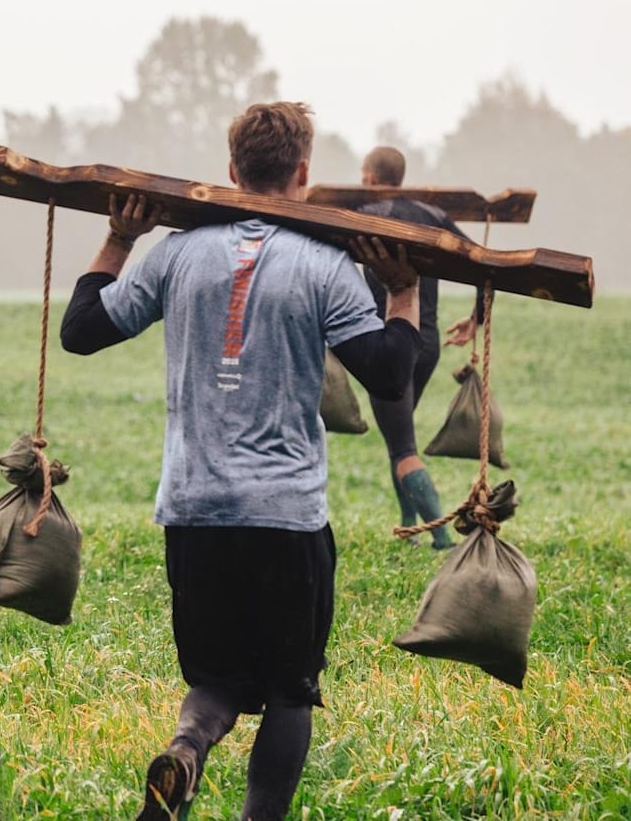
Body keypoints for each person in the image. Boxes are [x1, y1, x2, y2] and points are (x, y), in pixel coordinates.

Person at [60, 102, 423, 821]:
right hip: (286, 517)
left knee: (219, 678)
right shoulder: (325, 265)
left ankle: (188, 749)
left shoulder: (173, 254)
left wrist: (116, 238)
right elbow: (387, 375)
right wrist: (404, 294)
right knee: (289, 691)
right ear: (303, 173)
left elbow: (80, 330)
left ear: (231, 172)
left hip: (194, 511)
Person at [357, 145, 486, 549]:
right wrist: (476, 319)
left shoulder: (362, 214)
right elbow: (484, 266)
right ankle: (407, 524)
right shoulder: (433, 217)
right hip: (426, 345)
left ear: (370, 179)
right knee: (400, 434)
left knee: (402, 445)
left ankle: (441, 538)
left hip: (387, 344)